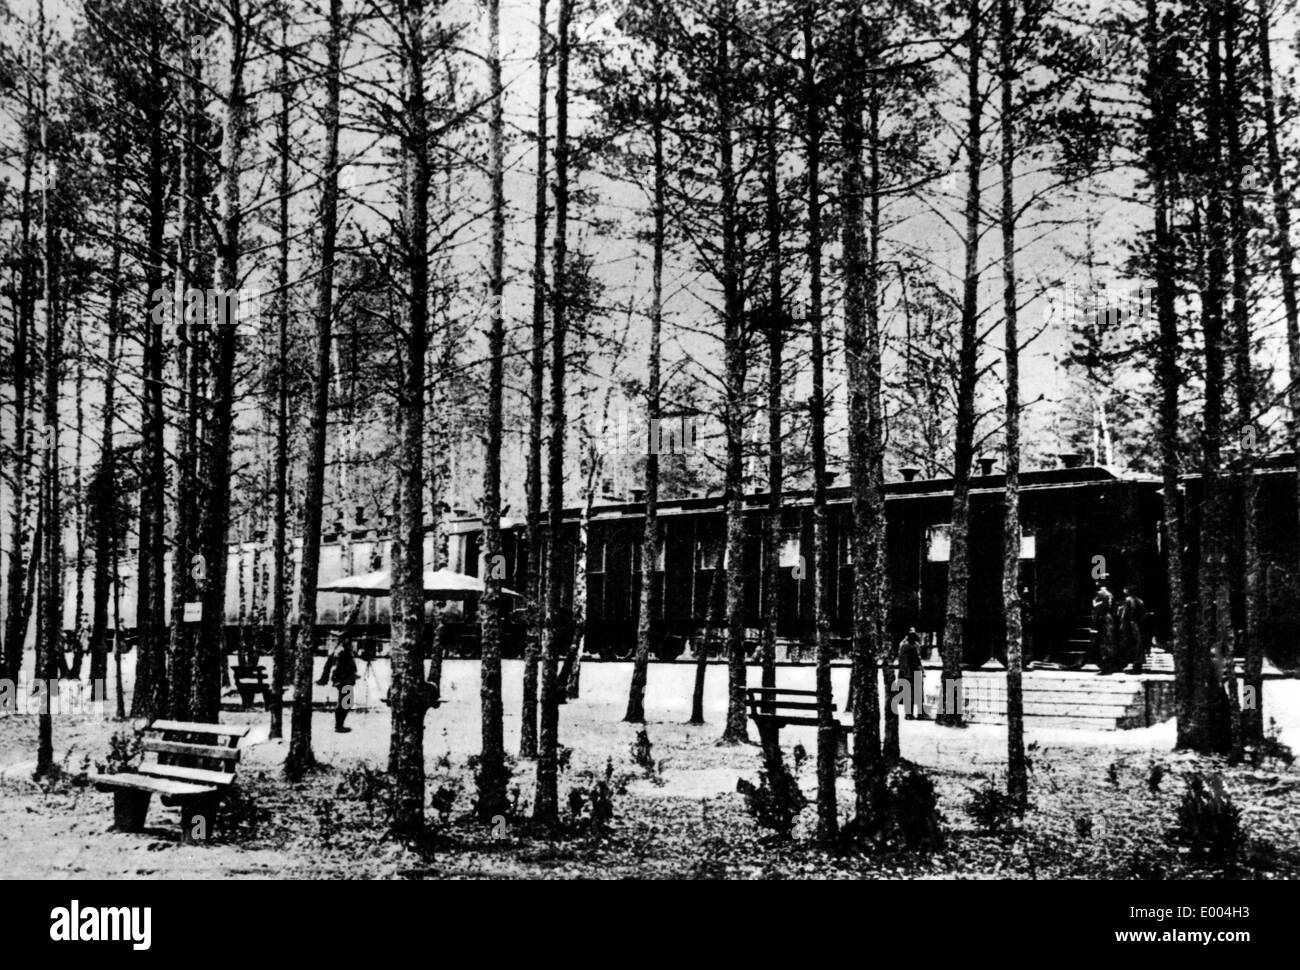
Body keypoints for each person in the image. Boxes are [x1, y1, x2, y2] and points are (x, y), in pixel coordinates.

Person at [319, 634, 359, 733]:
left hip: (347, 679)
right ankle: (339, 726)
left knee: (347, 703)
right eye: (347, 640)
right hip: (344, 680)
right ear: (343, 640)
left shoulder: (344, 650)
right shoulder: (340, 651)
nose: (349, 642)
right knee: (344, 703)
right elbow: (336, 667)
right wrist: (340, 678)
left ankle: (340, 724)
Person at [897, 627, 925, 719]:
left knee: (918, 694)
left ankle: (920, 713)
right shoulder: (905, 645)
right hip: (909, 673)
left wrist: (921, 670)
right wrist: (906, 674)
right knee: (909, 694)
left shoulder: (915, 645)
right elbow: (903, 661)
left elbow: (918, 659)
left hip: (914, 672)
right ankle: (909, 714)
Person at [1118, 585, 1147, 674]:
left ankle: (1126, 664)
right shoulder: (1140, 601)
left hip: (1129, 624)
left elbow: (1124, 614)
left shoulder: (1128, 600)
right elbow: (1142, 614)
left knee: (1128, 643)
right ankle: (1138, 664)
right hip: (1138, 624)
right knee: (1138, 644)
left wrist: (1122, 624)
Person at [1092, 581, 1118, 673]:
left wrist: (1098, 604)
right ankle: (1109, 664)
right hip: (1109, 618)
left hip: (1101, 617)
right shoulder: (1110, 594)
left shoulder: (1099, 594)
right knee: (1109, 641)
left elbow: (1095, 605)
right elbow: (1112, 607)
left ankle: (1104, 665)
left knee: (1102, 642)